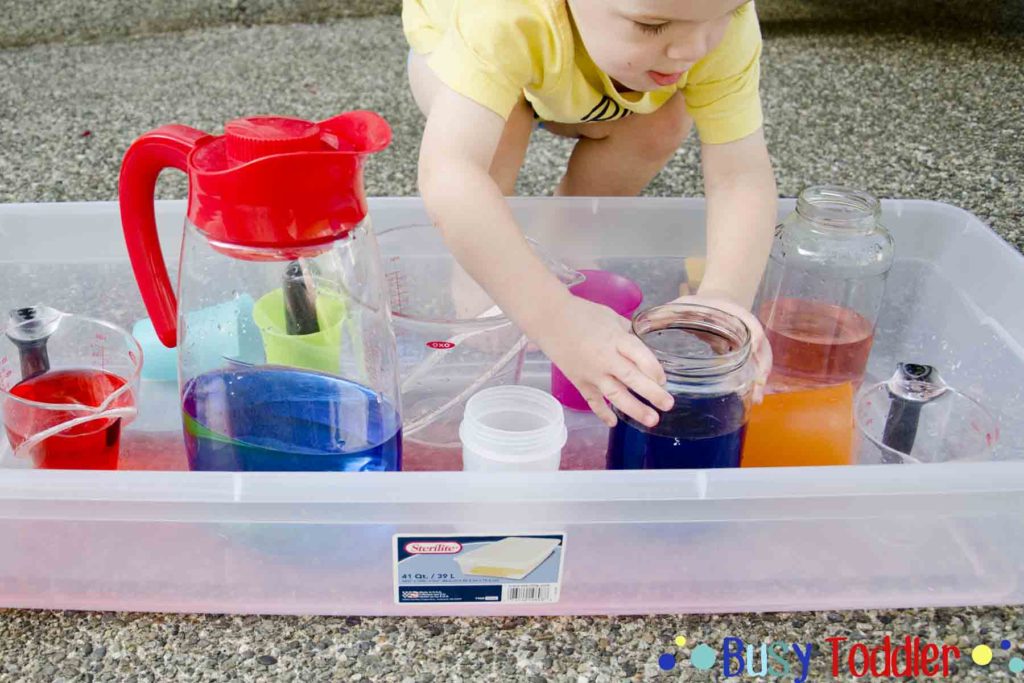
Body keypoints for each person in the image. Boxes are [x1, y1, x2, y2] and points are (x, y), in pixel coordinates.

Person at [403, 0, 775, 428]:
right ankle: (472, 279)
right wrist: (555, 319)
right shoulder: (500, 16)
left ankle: (570, 234)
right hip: (463, 53)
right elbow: (451, 172)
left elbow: (740, 175)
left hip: (602, 79)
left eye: (727, 14)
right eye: (650, 24)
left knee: (665, 120)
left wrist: (724, 297)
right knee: (500, 132)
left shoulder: (711, 26)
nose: (693, 48)